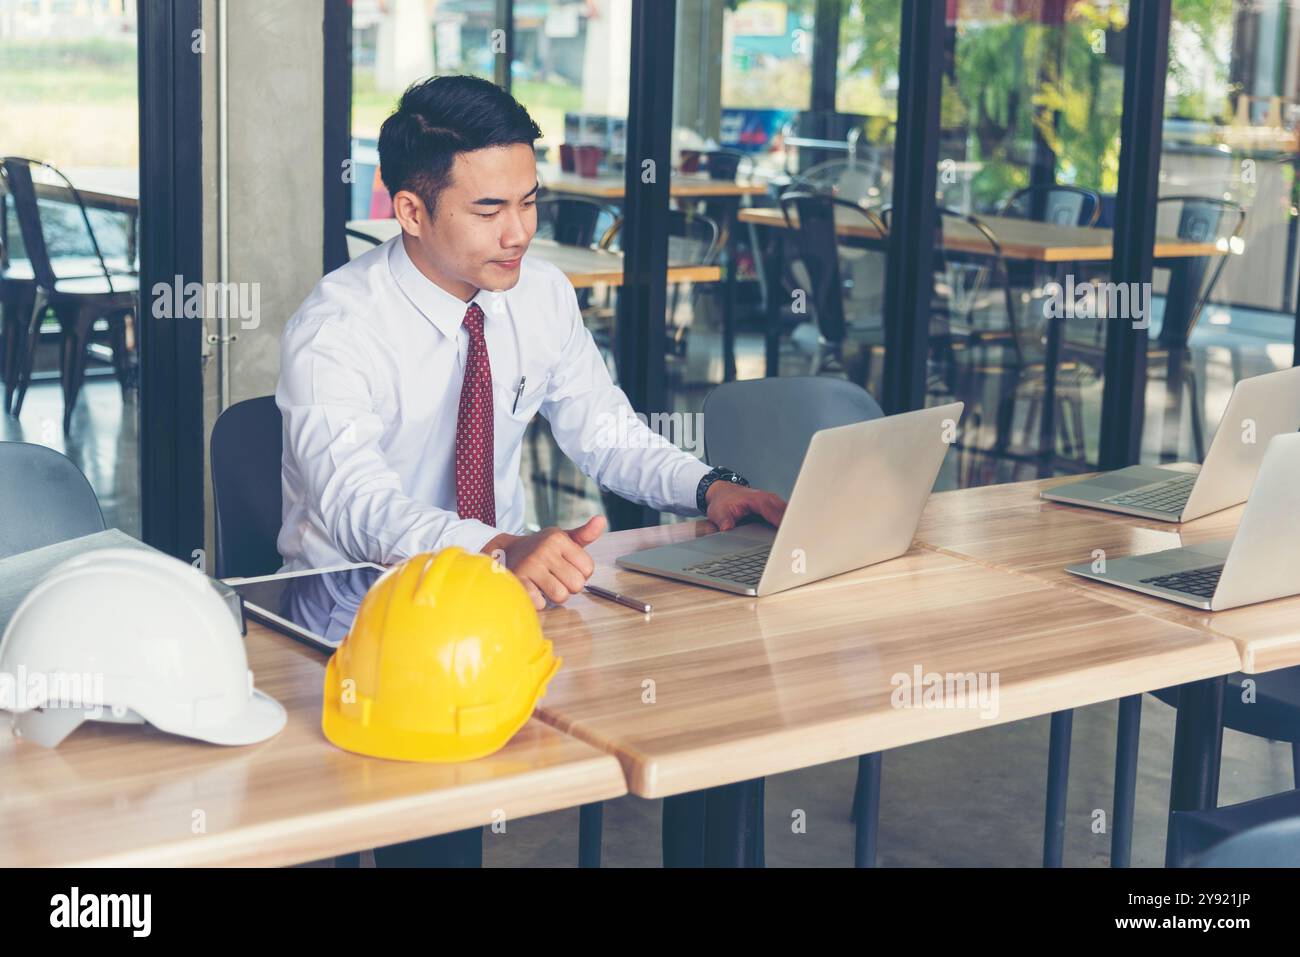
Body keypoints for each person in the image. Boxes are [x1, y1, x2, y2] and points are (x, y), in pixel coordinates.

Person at [276, 74, 786, 610]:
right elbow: (359, 504)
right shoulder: (335, 331)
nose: (519, 233)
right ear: (410, 212)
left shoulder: (540, 293)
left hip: (509, 595)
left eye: (528, 202)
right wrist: (497, 548)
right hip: (354, 609)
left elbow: (604, 431)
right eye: (489, 211)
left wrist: (711, 488)